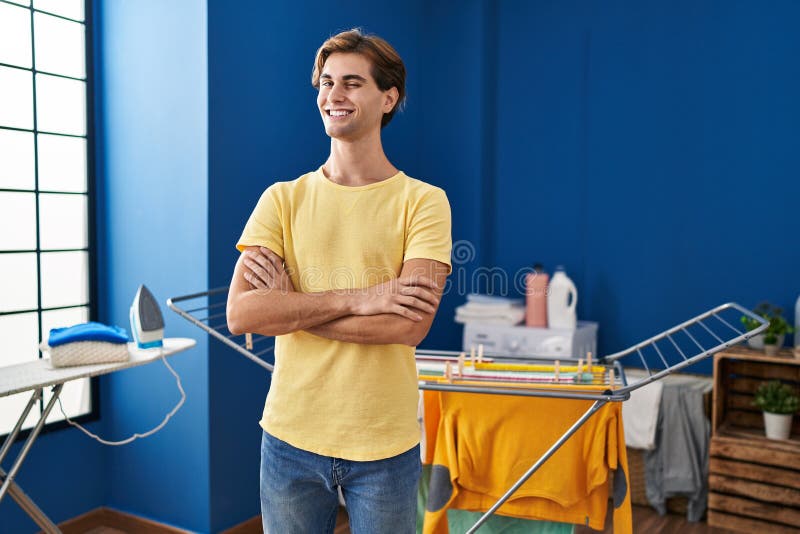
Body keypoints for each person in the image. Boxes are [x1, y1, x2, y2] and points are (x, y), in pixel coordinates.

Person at [226, 28, 452, 534]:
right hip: (289, 439)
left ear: (387, 97)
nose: (334, 95)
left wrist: (291, 308)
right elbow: (242, 313)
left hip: (384, 446)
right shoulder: (281, 200)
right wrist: (366, 297)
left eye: (352, 82)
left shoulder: (423, 202)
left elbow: (408, 327)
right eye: (327, 83)